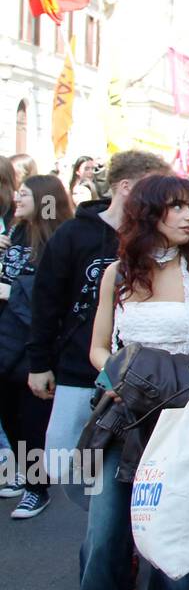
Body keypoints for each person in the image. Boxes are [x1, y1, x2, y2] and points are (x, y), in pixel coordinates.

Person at [80, 173, 189, 590]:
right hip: (120, 418)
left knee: (173, 539)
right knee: (104, 540)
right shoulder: (116, 274)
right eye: (178, 207)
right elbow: (99, 349)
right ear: (148, 214)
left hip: (181, 425)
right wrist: (120, 378)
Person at [28, 151, 171, 484]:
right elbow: (47, 303)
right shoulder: (72, 236)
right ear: (125, 186)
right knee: (65, 465)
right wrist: (39, 363)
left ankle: (107, 532)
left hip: (139, 379)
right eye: (153, 188)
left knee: (122, 471)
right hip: (78, 369)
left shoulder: (155, 239)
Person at [0, 175, 73, 517]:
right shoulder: (15, 232)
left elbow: (50, 298)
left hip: (31, 343)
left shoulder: (57, 240)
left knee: (30, 419)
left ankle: (36, 487)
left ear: (45, 199)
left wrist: (9, 291)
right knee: (9, 416)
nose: (17, 197)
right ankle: (24, 473)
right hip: (4, 337)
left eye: (25, 193)